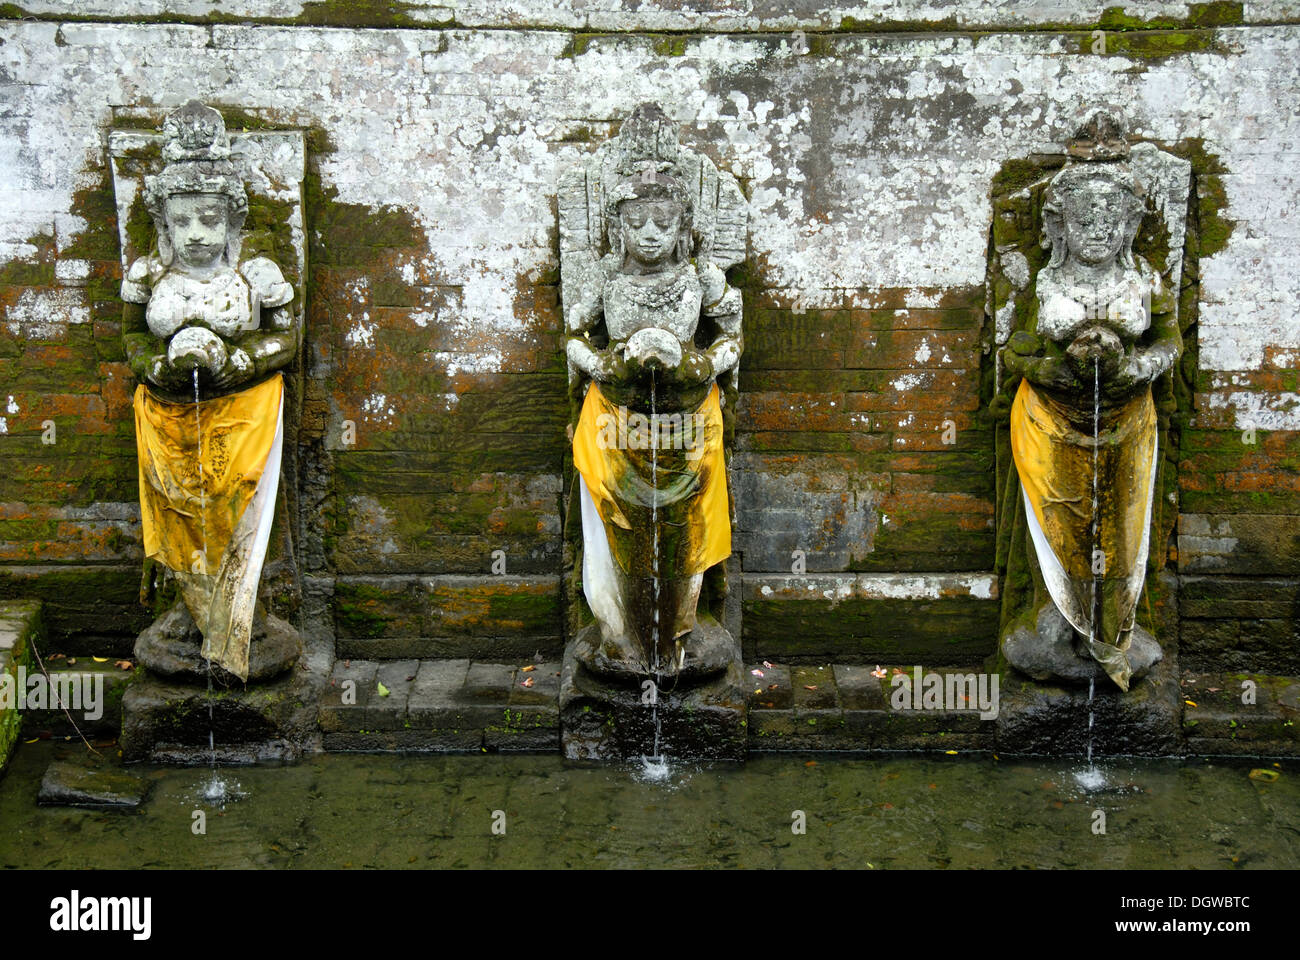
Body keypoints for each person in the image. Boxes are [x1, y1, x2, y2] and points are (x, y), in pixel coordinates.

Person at [122, 101, 300, 681]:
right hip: (165, 415)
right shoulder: (149, 274)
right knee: (173, 503)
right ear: (164, 224)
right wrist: (153, 366)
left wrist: (243, 360)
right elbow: (130, 336)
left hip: (244, 411)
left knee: (236, 500)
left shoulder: (255, 275)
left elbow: (288, 338)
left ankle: (244, 608)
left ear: (232, 220)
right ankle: (188, 606)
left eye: (210, 218)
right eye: (182, 222)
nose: (197, 233)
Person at [567, 166, 742, 677]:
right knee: (617, 524)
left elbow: (733, 337)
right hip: (615, 423)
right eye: (636, 222)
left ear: (683, 227)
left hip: (688, 424)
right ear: (617, 226)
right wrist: (601, 365)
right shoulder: (606, 278)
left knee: (687, 528)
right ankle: (620, 629)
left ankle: (681, 629)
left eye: (663, 224)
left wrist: (704, 364)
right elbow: (574, 336)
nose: (649, 234)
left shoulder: (701, 277)